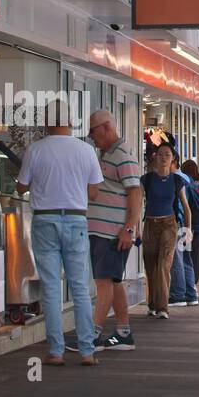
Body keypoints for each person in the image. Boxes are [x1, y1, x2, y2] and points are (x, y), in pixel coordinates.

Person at [15, 100, 104, 366]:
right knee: (79, 287)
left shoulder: (35, 150)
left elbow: (21, 186)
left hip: (45, 220)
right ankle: (87, 350)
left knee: (51, 288)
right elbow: (94, 191)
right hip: (76, 220)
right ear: (71, 122)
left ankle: (56, 351)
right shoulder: (86, 150)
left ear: (46, 122)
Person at [85, 109, 143, 353]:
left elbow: (135, 192)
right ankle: (123, 332)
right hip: (104, 230)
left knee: (104, 282)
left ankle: (93, 335)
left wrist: (128, 229)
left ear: (107, 127)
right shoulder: (107, 154)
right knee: (114, 281)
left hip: (111, 232)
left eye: (93, 131)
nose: (91, 136)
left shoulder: (122, 155)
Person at [140, 142, 190, 319]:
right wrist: (136, 228)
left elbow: (185, 206)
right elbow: (139, 204)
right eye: (160, 154)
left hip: (169, 224)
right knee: (150, 265)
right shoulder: (146, 179)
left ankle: (163, 307)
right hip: (149, 224)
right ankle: (152, 304)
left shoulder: (177, 180)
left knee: (164, 265)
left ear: (173, 158)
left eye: (167, 154)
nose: (163, 157)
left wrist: (187, 230)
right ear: (155, 156)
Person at [169, 154, 199, 308]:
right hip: (186, 224)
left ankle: (177, 295)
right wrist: (189, 228)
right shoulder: (186, 177)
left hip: (178, 223)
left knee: (177, 260)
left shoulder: (174, 179)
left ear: (173, 161)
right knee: (186, 260)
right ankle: (191, 294)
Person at [180, 158, 199, 299]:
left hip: (187, 227)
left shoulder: (186, 185)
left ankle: (188, 285)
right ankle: (194, 283)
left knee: (184, 256)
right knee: (195, 255)